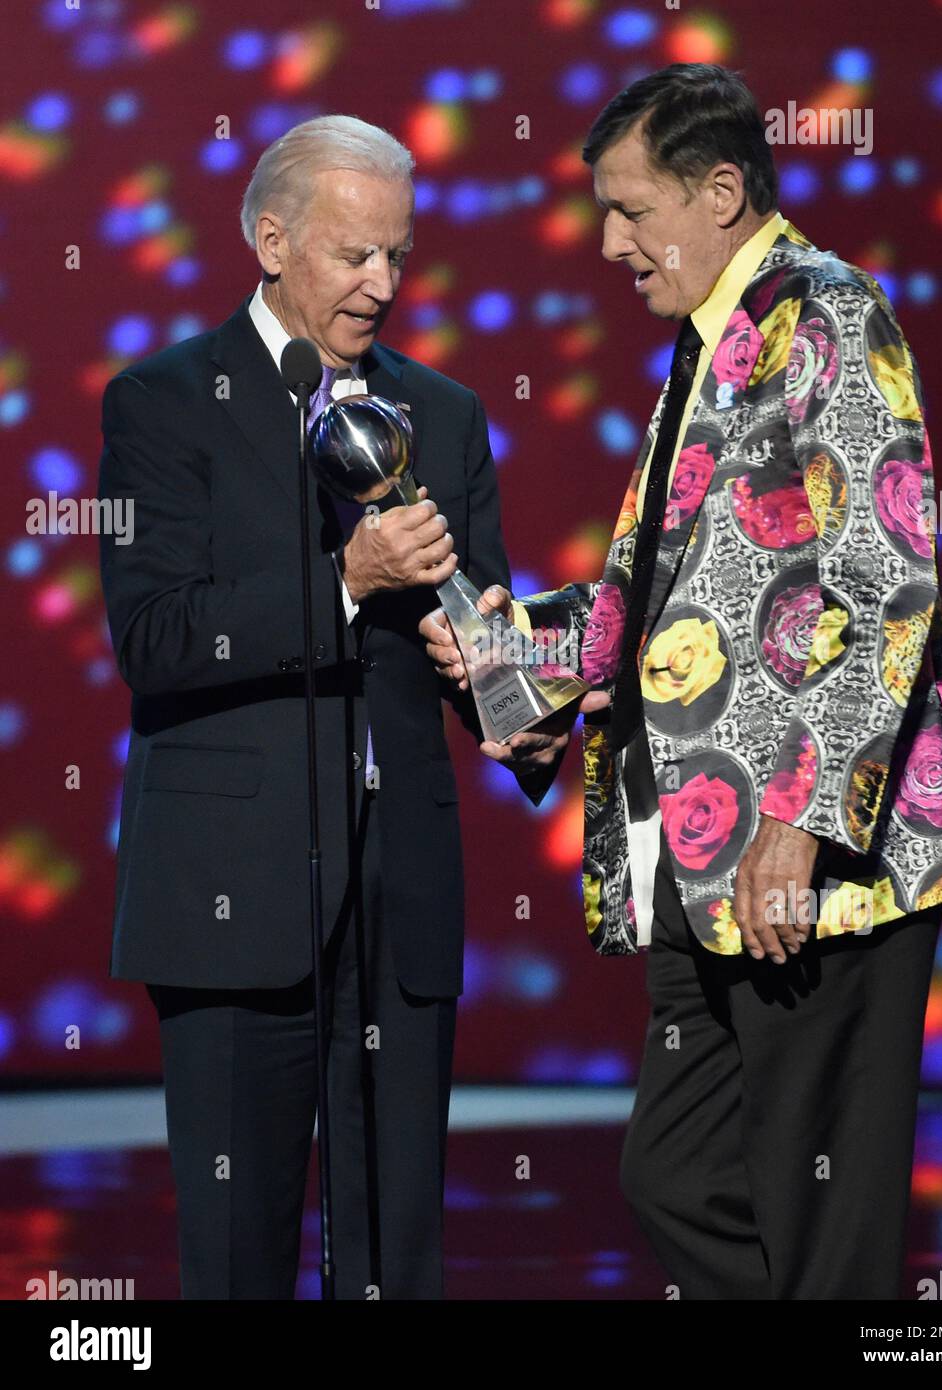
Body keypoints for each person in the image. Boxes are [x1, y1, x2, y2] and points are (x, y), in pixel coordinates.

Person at [423, 64, 942, 1299]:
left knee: (820, 1223)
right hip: (702, 865)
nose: (607, 242)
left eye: (631, 210)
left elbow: (884, 581)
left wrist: (799, 819)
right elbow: (651, 603)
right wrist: (505, 654)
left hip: (811, 864)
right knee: (675, 1175)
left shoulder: (832, 318)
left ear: (722, 191)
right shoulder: (713, 345)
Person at [98, 114, 519, 1299]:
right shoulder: (162, 403)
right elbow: (156, 636)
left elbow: (479, 626)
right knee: (237, 1255)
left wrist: (523, 709)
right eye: (353, 255)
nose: (383, 285)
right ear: (271, 240)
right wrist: (344, 584)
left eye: (398, 253)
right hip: (235, 897)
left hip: (399, 905)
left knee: (396, 1259)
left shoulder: (443, 414)